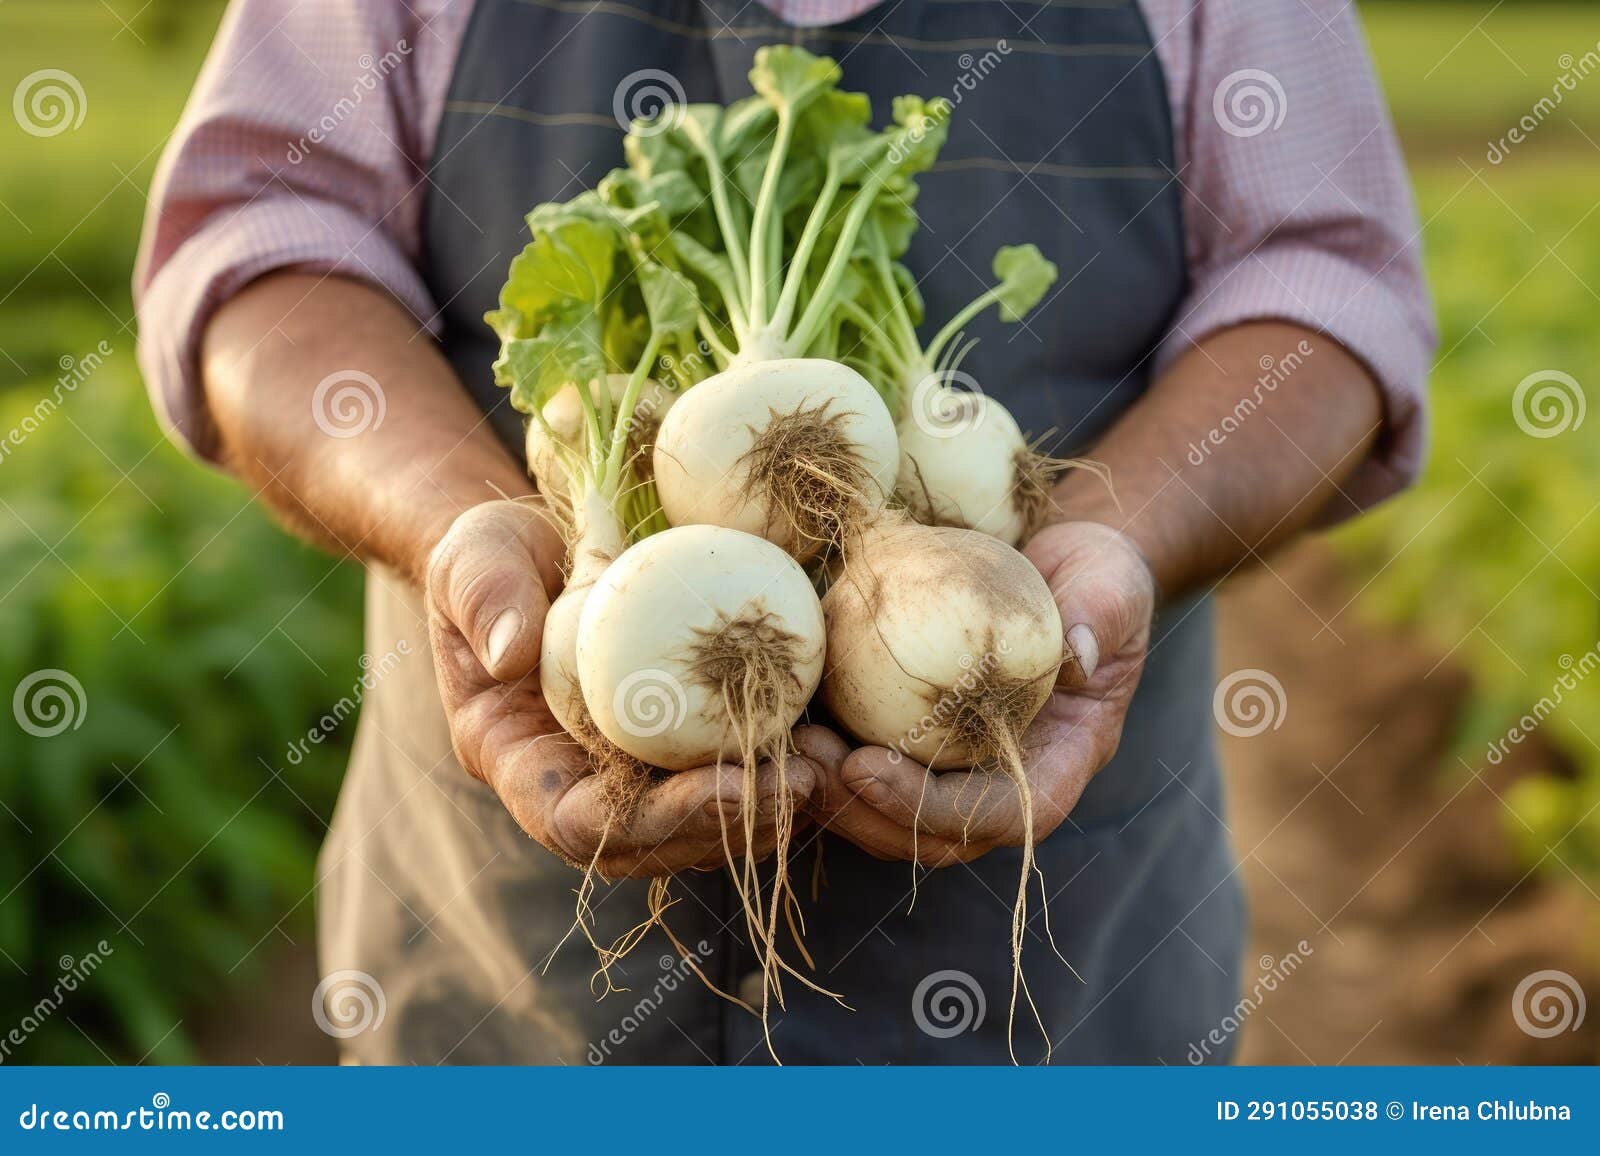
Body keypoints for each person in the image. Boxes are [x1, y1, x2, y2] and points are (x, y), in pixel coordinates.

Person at [135, 0, 1435, 1064]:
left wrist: (1113, 546)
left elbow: (1324, 281)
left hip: (1058, 984)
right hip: (511, 989)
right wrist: (455, 526)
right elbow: (267, 238)